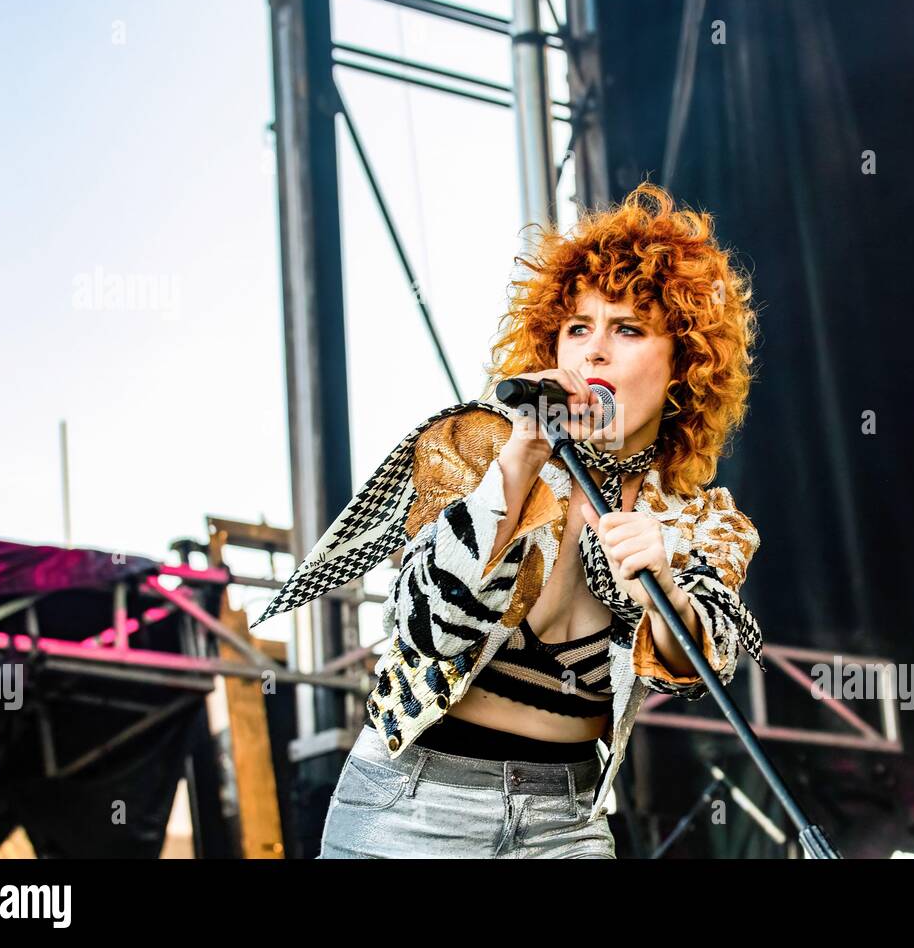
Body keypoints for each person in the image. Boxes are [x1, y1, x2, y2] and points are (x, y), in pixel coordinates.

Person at [252, 182, 764, 858]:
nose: (594, 351)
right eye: (578, 327)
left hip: (568, 823)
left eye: (629, 329)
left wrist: (661, 587)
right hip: (410, 806)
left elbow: (701, 664)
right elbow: (425, 628)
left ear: (684, 368)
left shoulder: (699, 519)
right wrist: (522, 458)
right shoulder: (475, 445)